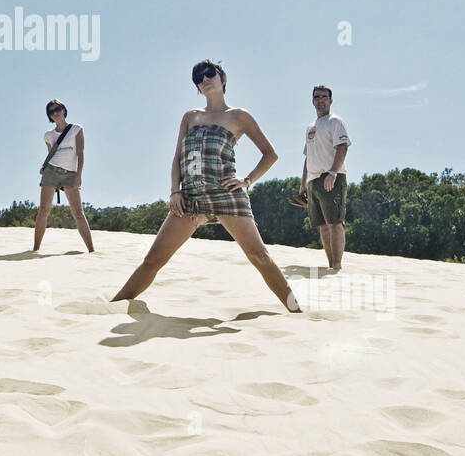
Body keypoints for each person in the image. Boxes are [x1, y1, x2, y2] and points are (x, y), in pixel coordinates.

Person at [113, 60, 301, 312]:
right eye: (198, 79)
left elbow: (270, 154)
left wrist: (246, 181)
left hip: (226, 195)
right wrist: (175, 191)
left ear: (223, 77)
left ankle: (296, 312)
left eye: (209, 74)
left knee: (259, 256)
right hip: (190, 197)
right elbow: (178, 157)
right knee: (153, 259)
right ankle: (113, 308)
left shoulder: (239, 116)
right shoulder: (191, 117)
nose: (204, 80)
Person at [299, 85, 351, 272]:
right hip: (312, 181)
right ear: (312, 101)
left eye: (324, 97)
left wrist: (333, 173)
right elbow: (308, 157)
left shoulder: (335, 121)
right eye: (317, 97)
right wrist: (303, 184)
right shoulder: (310, 127)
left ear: (330, 100)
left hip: (330, 177)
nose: (320, 100)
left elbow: (343, 146)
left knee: (335, 222)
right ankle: (330, 264)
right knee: (322, 225)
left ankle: (337, 265)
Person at [33, 99, 95, 253]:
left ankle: (91, 250)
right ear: (49, 116)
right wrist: (45, 167)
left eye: (58, 109)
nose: (55, 113)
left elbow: (80, 153)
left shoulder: (76, 129)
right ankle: (35, 249)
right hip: (51, 173)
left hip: (70, 175)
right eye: (51, 111)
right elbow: (51, 154)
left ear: (64, 110)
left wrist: (78, 176)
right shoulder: (48, 135)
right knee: (43, 210)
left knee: (78, 212)